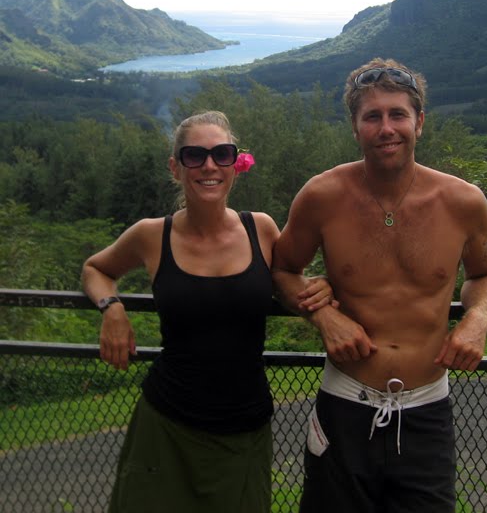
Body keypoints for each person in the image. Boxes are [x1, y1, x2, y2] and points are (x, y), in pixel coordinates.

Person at [272, 58, 487, 512]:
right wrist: (321, 314)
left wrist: (478, 318)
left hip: (426, 409)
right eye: (372, 116)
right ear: (355, 127)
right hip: (344, 407)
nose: (386, 128)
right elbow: (282, 270)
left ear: (419, 122)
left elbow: (486, 274)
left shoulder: (462, 201)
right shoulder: (323, 196)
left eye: (397, 114)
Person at [81, 110, 334, 513]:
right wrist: (112, 309)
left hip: (245, 428)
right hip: (166, 425)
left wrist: (319, 292)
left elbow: (290, 283)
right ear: (176, 168)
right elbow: (96, 269)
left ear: (236, 164)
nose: (209, 165)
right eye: (194, 155)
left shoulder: (262, 229)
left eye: (221, 153)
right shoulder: (152, 234)